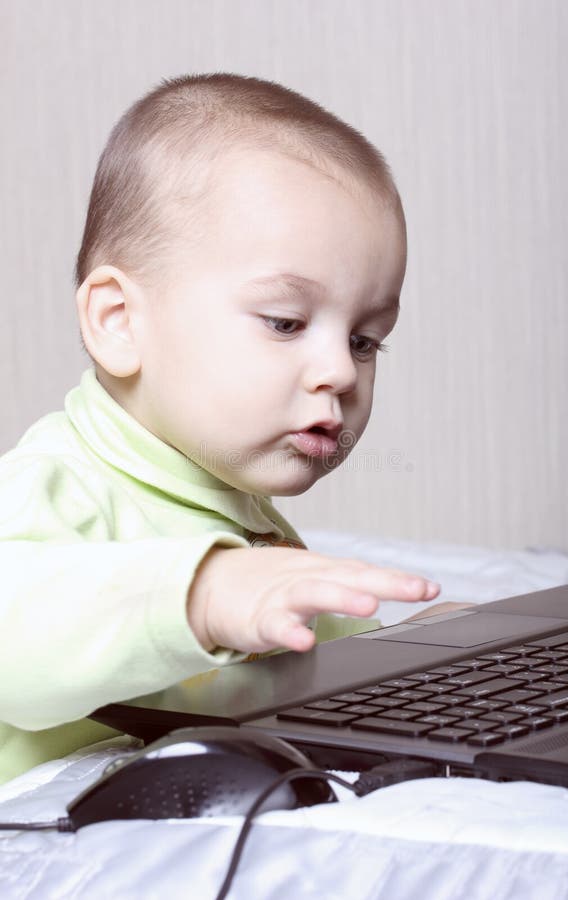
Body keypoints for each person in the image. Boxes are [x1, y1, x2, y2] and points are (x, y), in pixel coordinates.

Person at [0, 73, 441, 784]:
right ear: (120, 323)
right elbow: (14, 641)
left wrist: (409, 652)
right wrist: (204, 596)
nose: (341, 371)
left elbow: (292, 653)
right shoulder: (55, 485)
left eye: (365, 339)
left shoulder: (232, 505)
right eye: (286, 323)